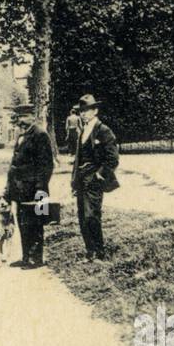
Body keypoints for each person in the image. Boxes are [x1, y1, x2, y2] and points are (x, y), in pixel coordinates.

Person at [3, 103, 55, 269]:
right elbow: (15, 164)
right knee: (23, 222)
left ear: (33, 117)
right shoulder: (22, 135)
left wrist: (40, 188)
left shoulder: (40, 134)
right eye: (19, 117)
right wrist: (8, 189)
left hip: (36, 189)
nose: (21, 120)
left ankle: (36, 259)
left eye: (24, 116)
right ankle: (26, 257)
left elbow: (46, 165)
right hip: (21, 189)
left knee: (36, 223)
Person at [69, 94, 119, 260]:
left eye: (87, 110)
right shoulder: (82, 131)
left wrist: (99, 174)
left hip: (94, 178)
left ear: (95, 111)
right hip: (81, 179)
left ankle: (100, 251)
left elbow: (113, 158)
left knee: (92, 216)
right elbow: (78, 158)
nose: (83, 113)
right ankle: (90, 252)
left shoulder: (103, 130)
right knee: (82, 216)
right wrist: (74, 181)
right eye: (81, 111)